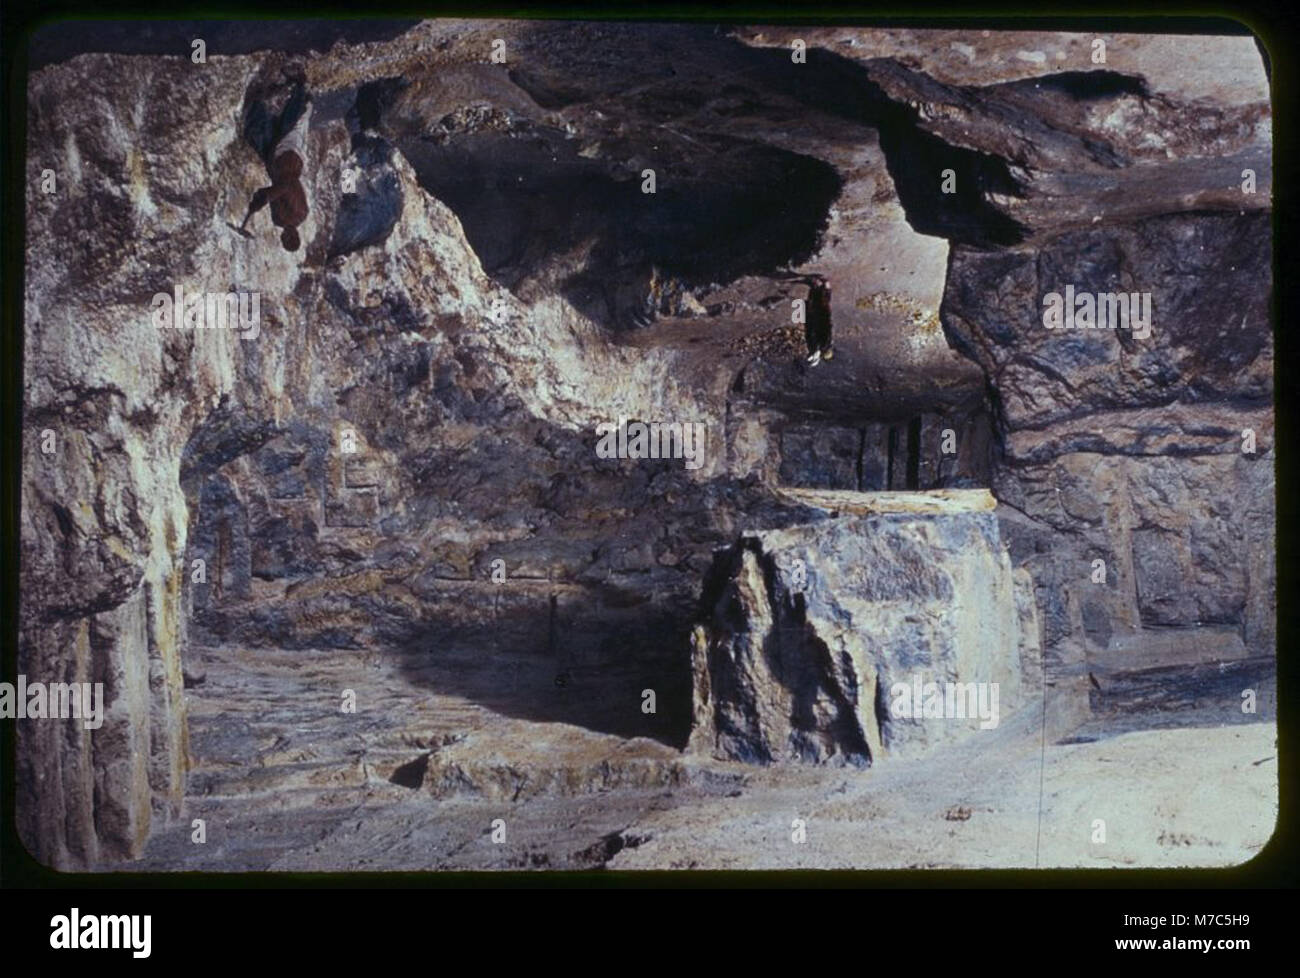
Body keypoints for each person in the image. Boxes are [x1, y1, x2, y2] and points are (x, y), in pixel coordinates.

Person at [240, 76, 311, 252]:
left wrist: (259, 199)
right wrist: (266, 197)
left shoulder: (278, 220)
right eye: (290, 238)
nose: (286, 236)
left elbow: (271, 194)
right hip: (290, 159)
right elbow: (287, 186)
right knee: (289, 125)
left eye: (285, 239)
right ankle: (300, 87)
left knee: (254, 134)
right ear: (296, 235)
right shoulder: (300, 214)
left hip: (275, 166)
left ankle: (258, 99)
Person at [805, 274, 834, 366]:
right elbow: (816, 332)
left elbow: (812, 334)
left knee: (820, 303)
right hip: (820, 320)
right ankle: (822, 285)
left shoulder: (824, 344)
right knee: (821, 303)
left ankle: (817, 286)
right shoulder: (823, 345)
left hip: (821, 320)